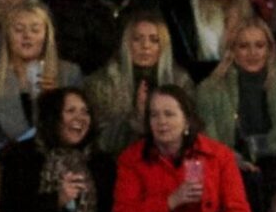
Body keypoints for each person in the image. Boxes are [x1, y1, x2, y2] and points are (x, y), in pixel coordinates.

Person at [112, 83, 253, 212]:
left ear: (187, 119)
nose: (161, 122)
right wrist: (168, 202)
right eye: (154, 115)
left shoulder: (219, 155)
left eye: (169, 114)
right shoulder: (131, 159)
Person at [194, 18, 276, 212]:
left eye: (259, 45)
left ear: (269, 50)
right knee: (248, 181)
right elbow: (207, 142)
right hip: (230, 166)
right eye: (244, 46)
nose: (253, 53)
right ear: (231, 50)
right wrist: (234, 160)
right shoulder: (209, 90)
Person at [83, 10, 195, 155]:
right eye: (137, 39)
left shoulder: (181, 82)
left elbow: (191, 130)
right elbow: (99, 142)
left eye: (154, 40)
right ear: (126, 43)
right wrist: (136, 120)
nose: (146, 46)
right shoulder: (101, 83)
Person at [0, 4, 83, 146]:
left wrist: (57, 99)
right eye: (19, 30)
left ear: (47, 35)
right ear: (7, 36)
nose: (27, 36)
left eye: (35, 30)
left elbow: (79, 126)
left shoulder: (69, 74)